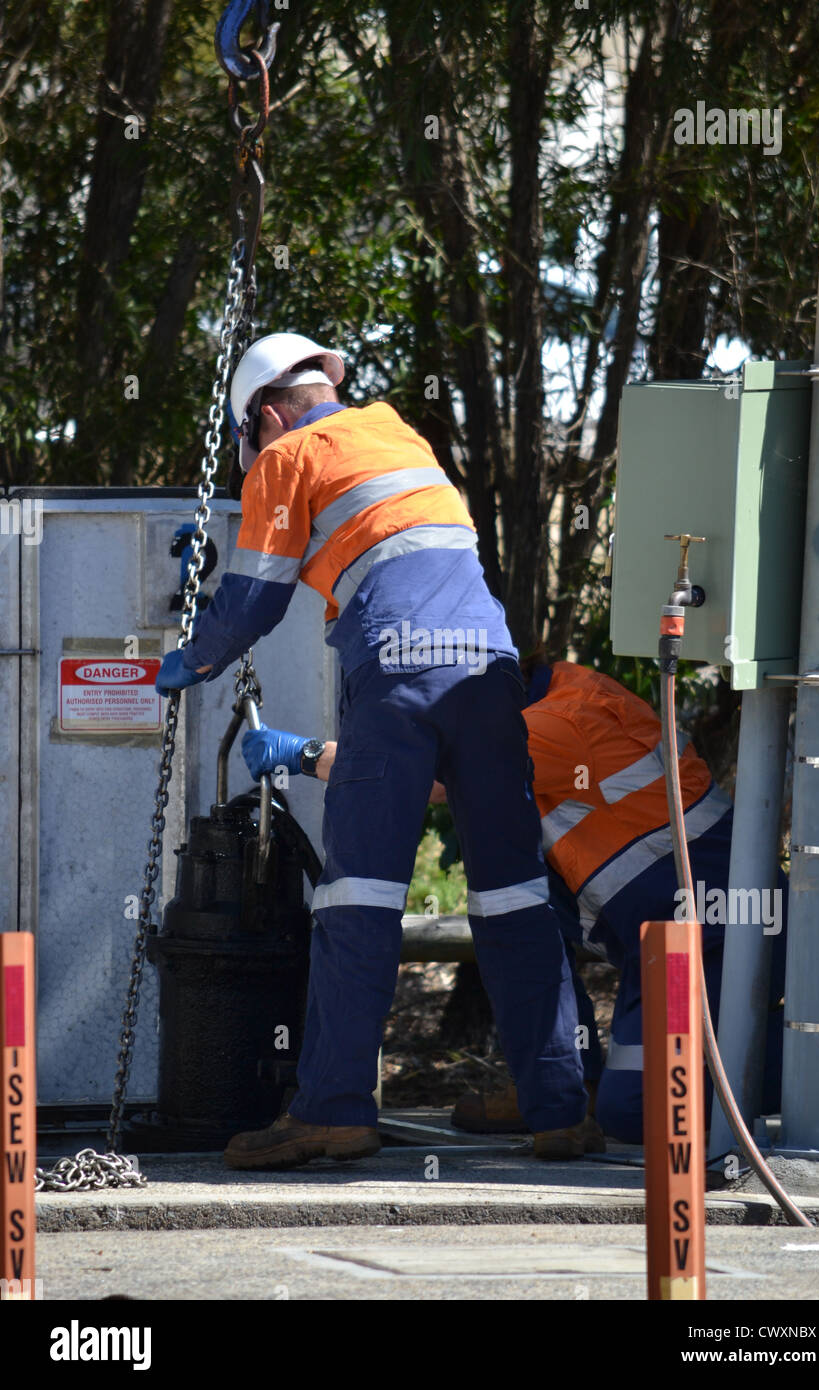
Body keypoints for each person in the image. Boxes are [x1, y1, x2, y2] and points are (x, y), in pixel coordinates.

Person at [156, 332, 601, 1168]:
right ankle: (559, 1111)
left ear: (267, 413)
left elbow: (253, 597)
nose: (249, 459)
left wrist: (191, 658)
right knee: (514, 897)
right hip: (488, 673)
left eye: (245, 441)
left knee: (356, 900)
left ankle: (331, 1109)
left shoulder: (291, 454)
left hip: (395, 671)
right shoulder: (397, 432)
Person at [251, 655, 786, 1145]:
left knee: (640, 1114)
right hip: (662, 947)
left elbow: (428, 780)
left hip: (710, 939)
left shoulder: (567, 717)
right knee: (517, 892)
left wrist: (304, 754)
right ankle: (573, 1078)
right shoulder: (538, 701)